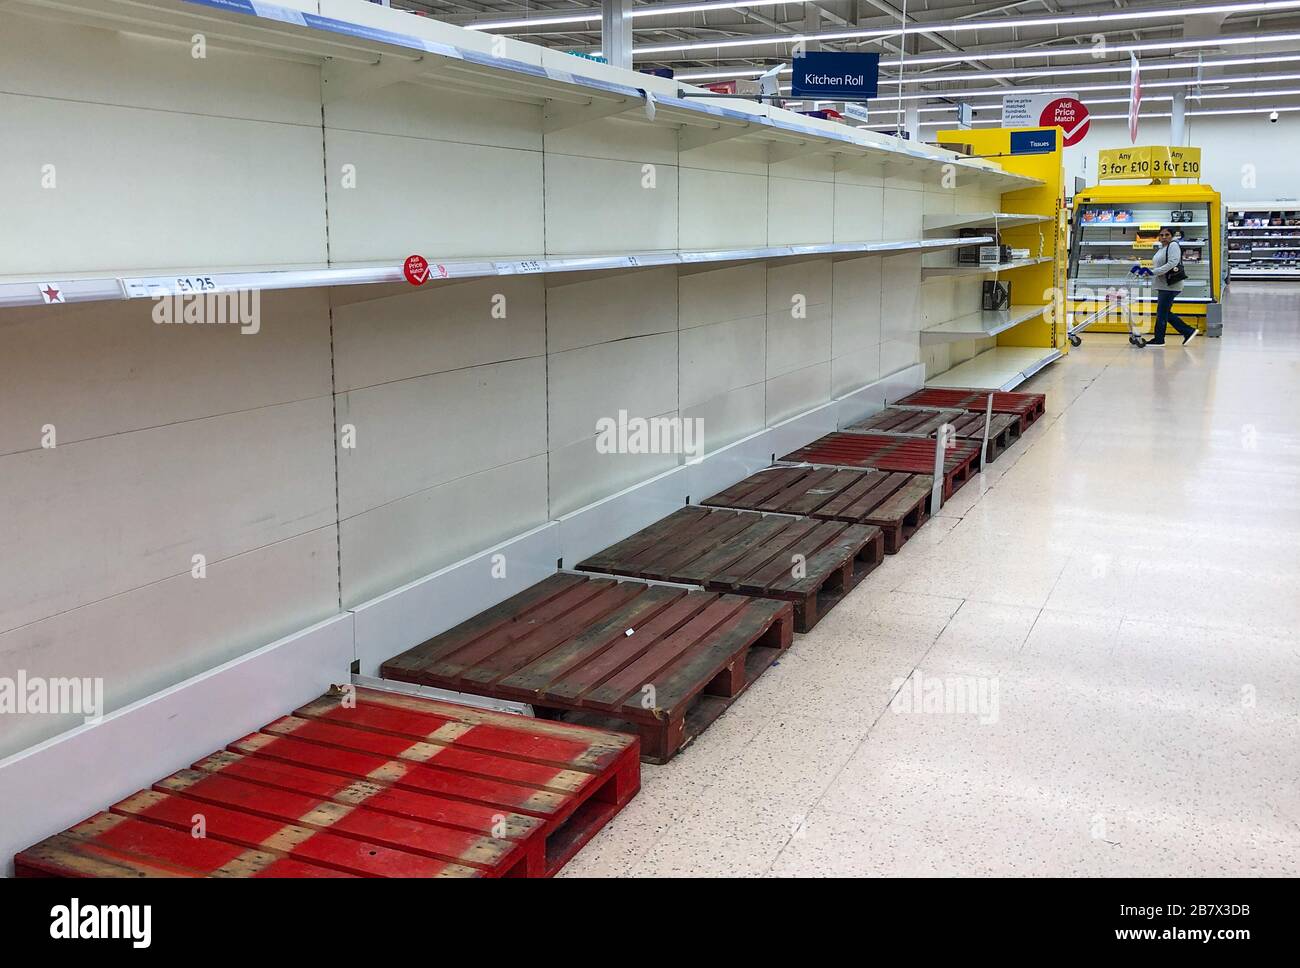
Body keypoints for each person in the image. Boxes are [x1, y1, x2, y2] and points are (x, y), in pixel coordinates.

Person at [1142, 226, 1198, 347]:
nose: (1164, 237)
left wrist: (1153, 272)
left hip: (1171, 284)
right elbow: (1160, 265)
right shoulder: (1162, 248)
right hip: (1163, 284)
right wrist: (1149, 272)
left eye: (1167, 235)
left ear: (1172, 236)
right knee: (1165, 312)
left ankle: (1160, 339)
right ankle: (1188, 331)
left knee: (1162, 313)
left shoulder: (1173, 245)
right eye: (1161, 235)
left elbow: (1172, 264)